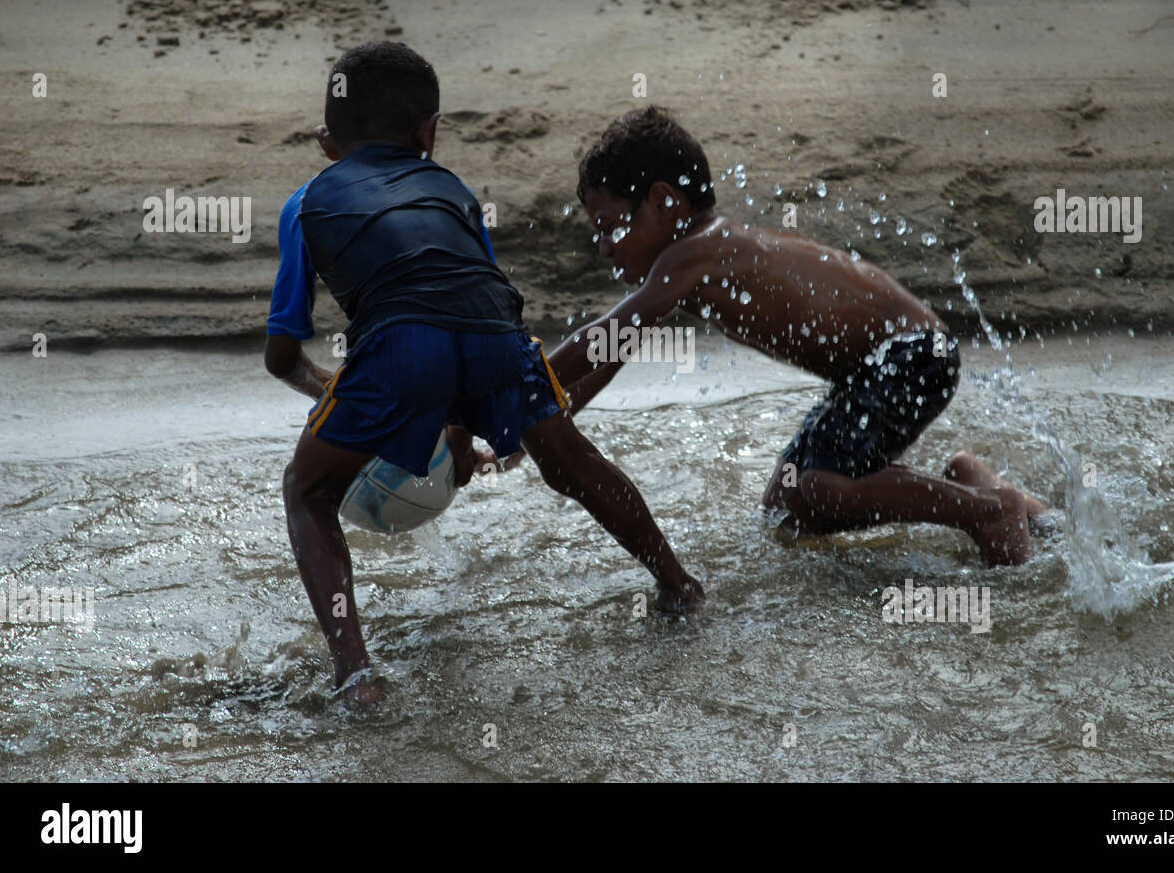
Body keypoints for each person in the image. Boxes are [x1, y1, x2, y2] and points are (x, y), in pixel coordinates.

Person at [264, 46, 703, 702]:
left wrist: (335, 395)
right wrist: (464, 440)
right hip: (501, 341)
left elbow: (282, 356)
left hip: (399, 346)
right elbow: (477, 304)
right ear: (428, 133)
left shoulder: (305, 204)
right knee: (571, 463)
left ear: (327, 142)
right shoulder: (455, 193)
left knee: (306, 489)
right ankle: (681, 587)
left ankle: (356, 676)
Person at [544, 106, 1047, 567]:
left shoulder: (693, 253)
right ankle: (969, 481)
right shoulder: (681, 268)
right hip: (873, 367)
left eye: (609, 227)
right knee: (787, 510)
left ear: (663, 201)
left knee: (824, 486)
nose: (605, 249)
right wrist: (537, 419)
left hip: (912, 352)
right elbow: (611, 352)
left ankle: (986, 511)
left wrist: (526, 378)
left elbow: (604, 334)